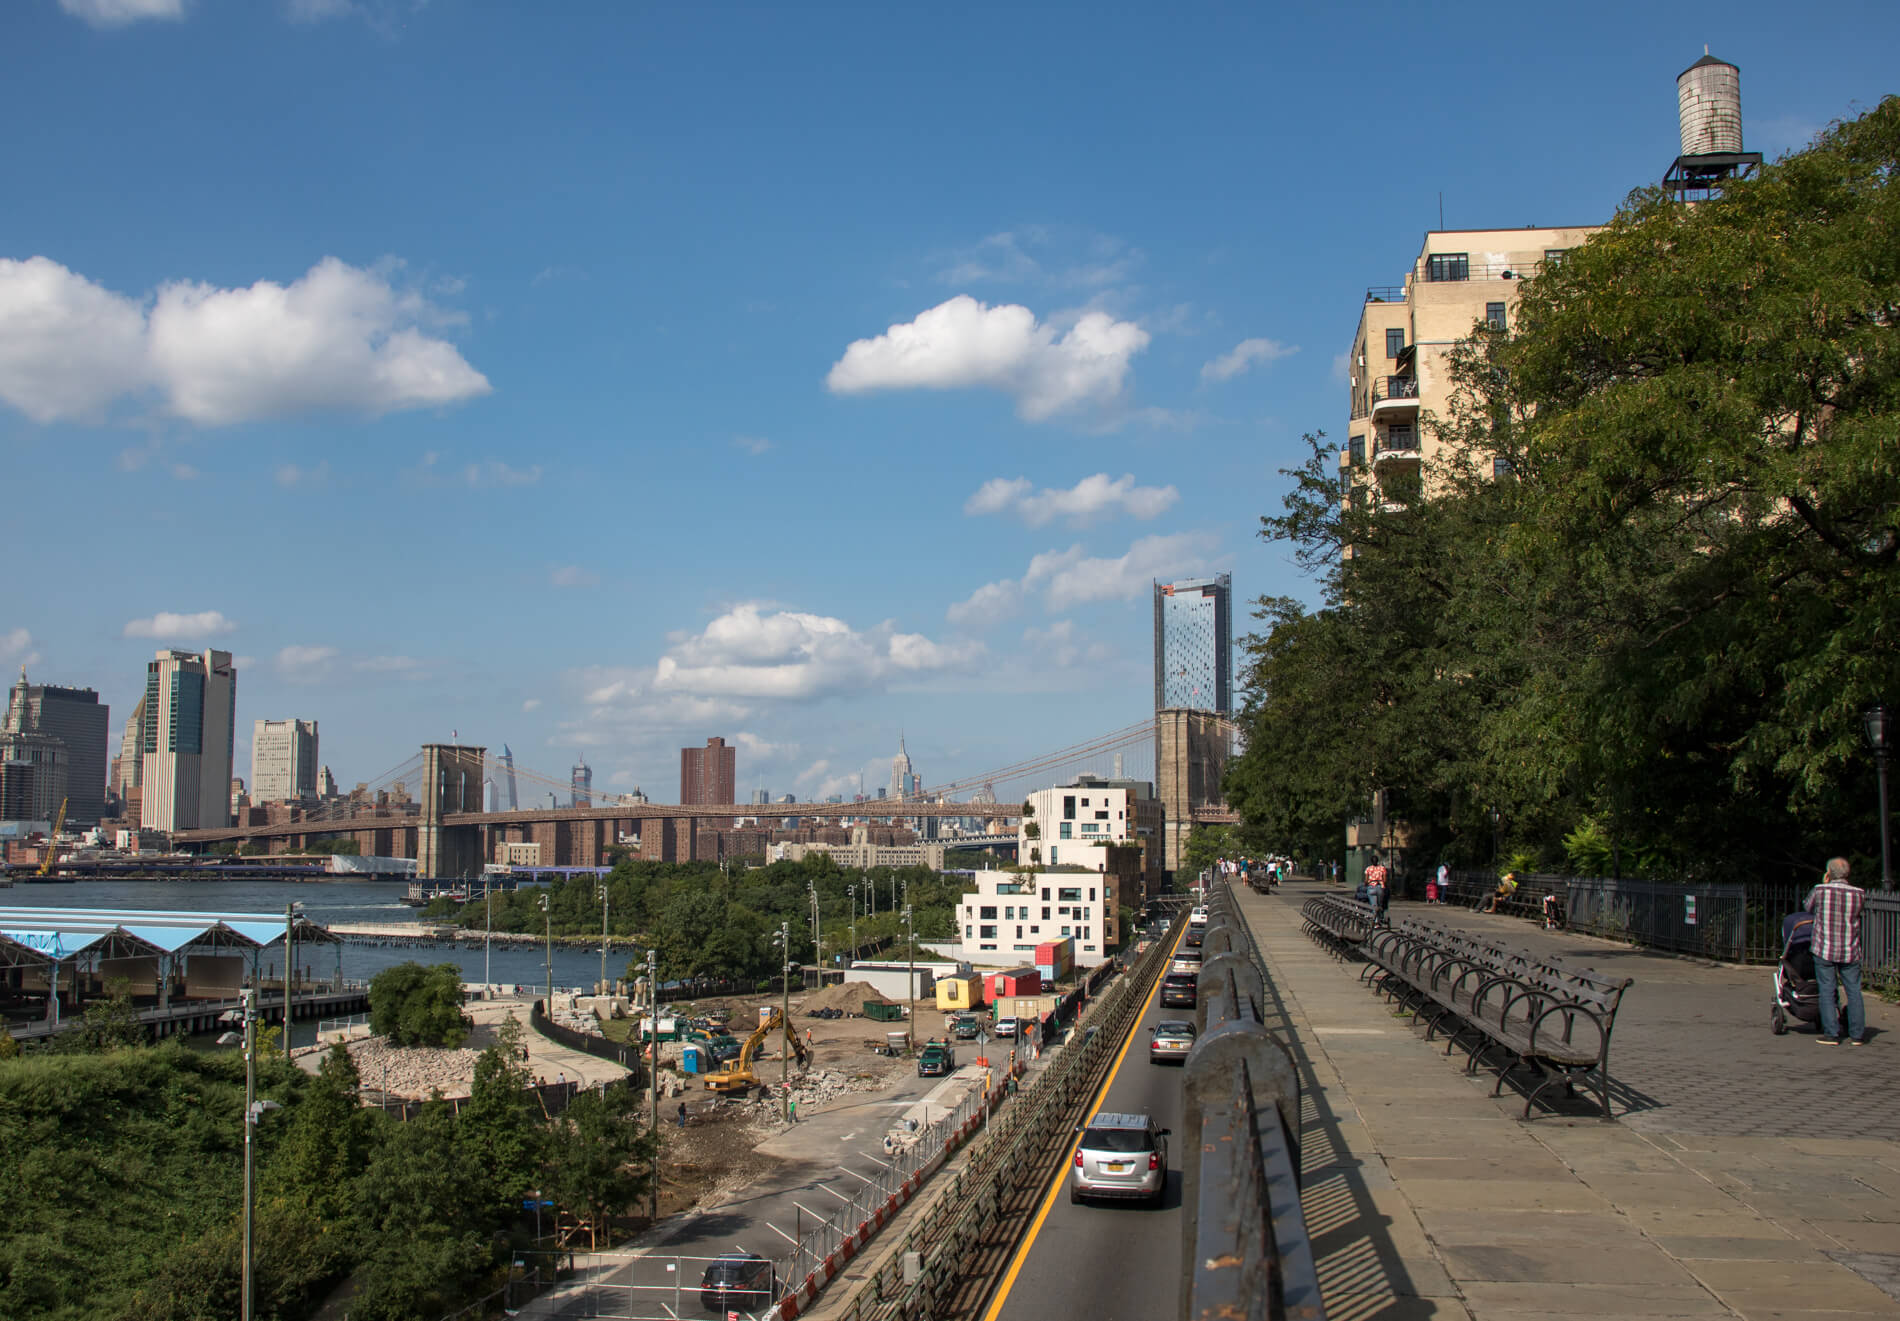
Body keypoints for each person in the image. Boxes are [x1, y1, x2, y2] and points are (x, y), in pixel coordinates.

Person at [1805, 857, 1867, 1045]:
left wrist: (1825, 884)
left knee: (1827, 989)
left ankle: (1831, 1033)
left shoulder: (1820, 890)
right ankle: (1857, 1035)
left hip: (1825, 948)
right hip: (1849, 949)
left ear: (1829, 873)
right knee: (1854, 990)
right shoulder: (1859, 894)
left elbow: (1808, 907)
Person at [1364, 858, 1389, 924]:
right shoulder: (1382, 868)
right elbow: (1385, 880)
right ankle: (1380, 917)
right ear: (1377, 861)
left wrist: (1366, 884)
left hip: (1371, 887)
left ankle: (1376, 920)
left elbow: (1366, 880)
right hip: (1380, 887)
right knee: (1379, 904)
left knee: (1374, 905)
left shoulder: (1368, 868)